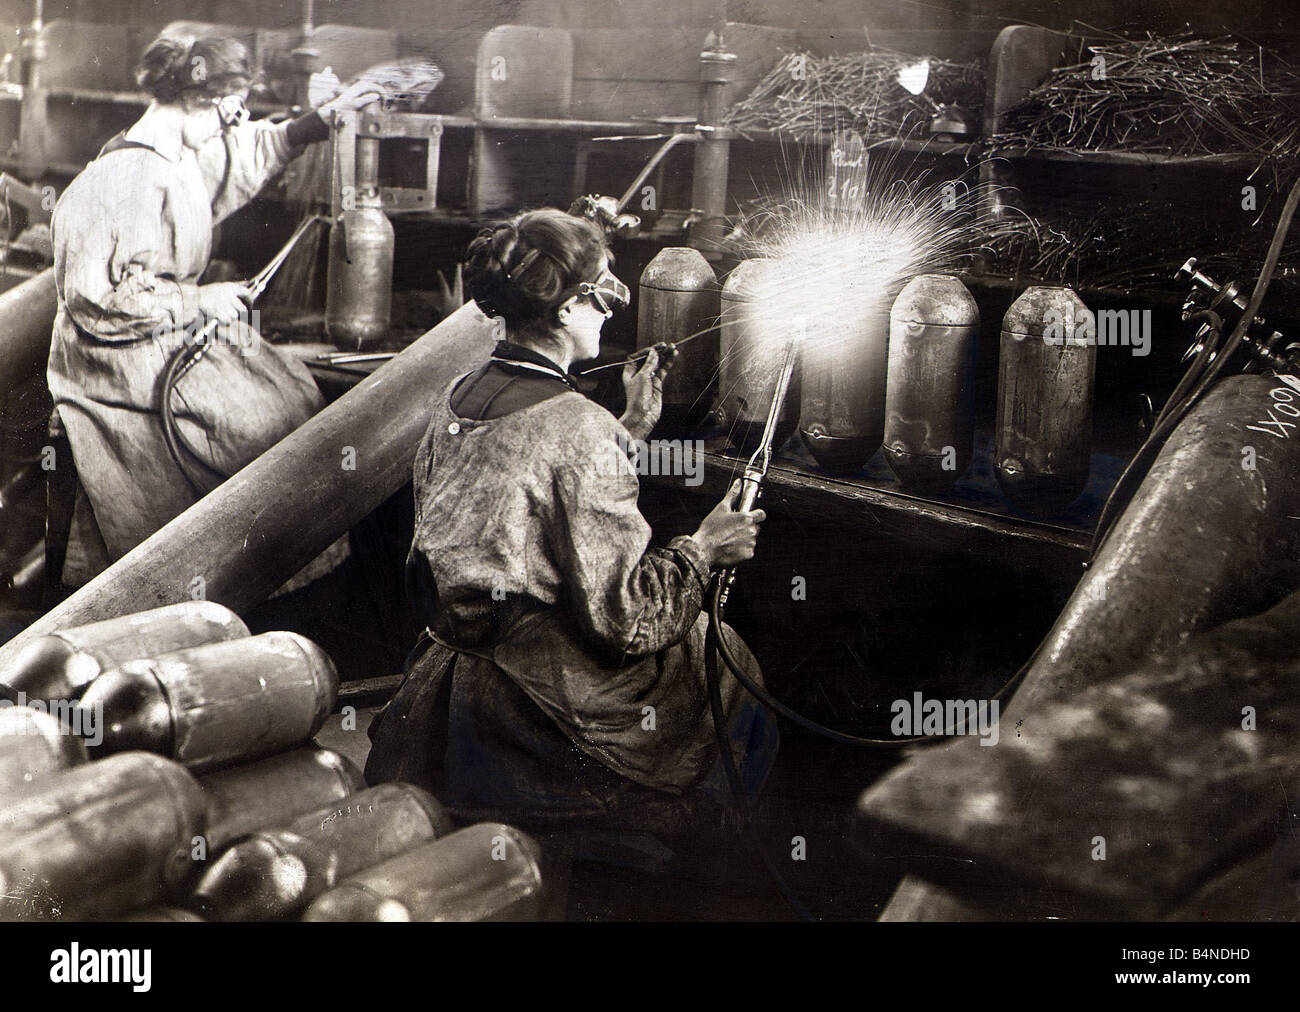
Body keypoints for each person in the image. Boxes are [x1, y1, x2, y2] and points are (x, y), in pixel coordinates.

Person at [366, 208, 778, 864]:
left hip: (445, 679)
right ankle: (703, 867)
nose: (611, 311)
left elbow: (521, 481)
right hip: (532, 707)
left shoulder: (458, 396)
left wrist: (629, 427)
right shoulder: (578, 428)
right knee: (723, 653)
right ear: (565, 310)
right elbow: (627, 619)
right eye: (603, 292)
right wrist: (704, 547)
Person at [46, 32, 382, 585]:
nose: (234, 125)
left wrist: (319, 121)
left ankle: (259, 581)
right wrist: (200, 299)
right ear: (199, 100)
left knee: (294, 393)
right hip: (117, 359)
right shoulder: (118, 181)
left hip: (166, 333)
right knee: (257, 426)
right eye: (230, 111)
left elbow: (243, 155)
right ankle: (205, 580)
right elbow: (99, 302)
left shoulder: (176, 156)